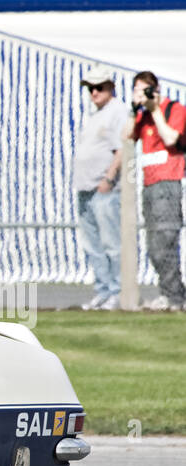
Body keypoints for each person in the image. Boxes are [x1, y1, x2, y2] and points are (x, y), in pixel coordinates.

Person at [123, 70, 186, 310]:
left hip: (168, 183)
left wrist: (156, 108)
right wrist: (134, 108)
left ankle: (175, 297)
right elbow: (127, 137)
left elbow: (171, 139)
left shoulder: (173, 109)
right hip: (149, 184)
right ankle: (169, 293)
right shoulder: (142, 115)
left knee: (166, 239)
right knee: (154, 245)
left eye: (147, 89)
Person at [73, 67, 125, 310]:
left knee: (111, 242)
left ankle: (118, 291)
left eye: (99, 87)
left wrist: (109, 179)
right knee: (92, 244)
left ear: (110, 87)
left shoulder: (117, 111)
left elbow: (122, 149)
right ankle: (102, 290)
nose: (94, 92)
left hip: (103, 188)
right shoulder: (95, 114)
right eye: (90, 88)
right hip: (85, 187)